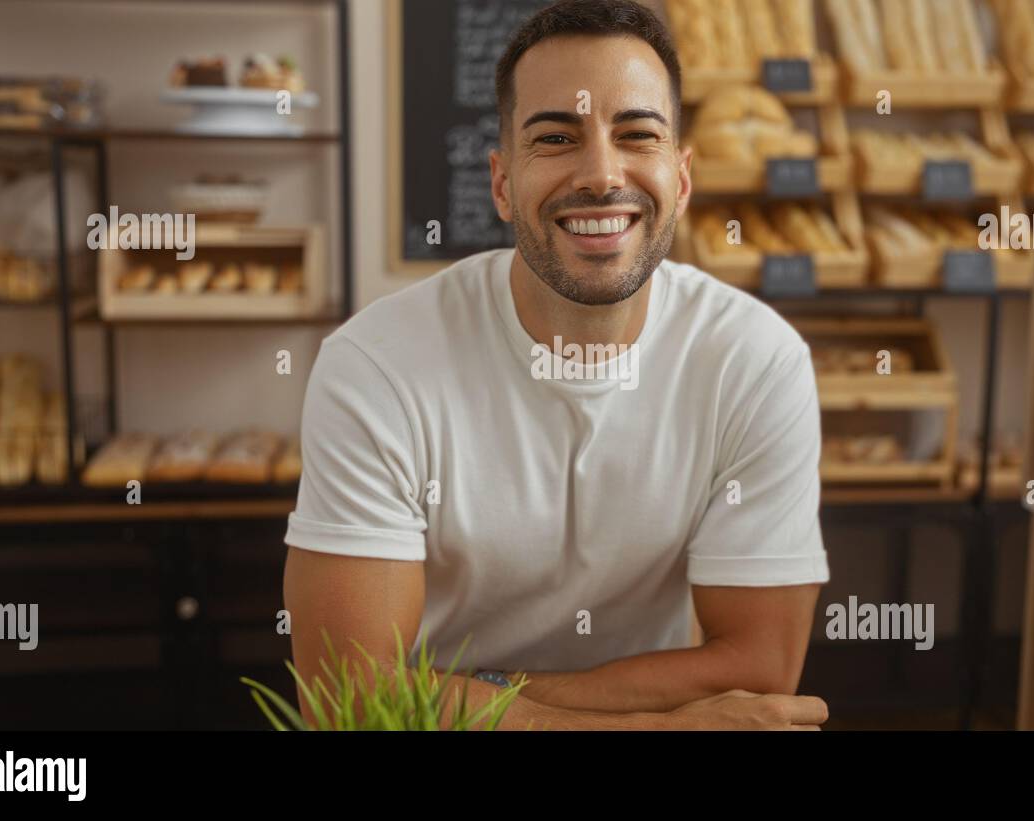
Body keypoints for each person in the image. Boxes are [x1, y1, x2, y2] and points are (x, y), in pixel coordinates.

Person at [283, 0, 829, 729]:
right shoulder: (377, 366)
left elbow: (759, 664)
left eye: (637, 134)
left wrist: (476, 689)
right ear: (502, 183)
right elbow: (348, 696)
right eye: (556, 137)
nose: (602, 175)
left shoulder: (757, 362)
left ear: (682, 176)